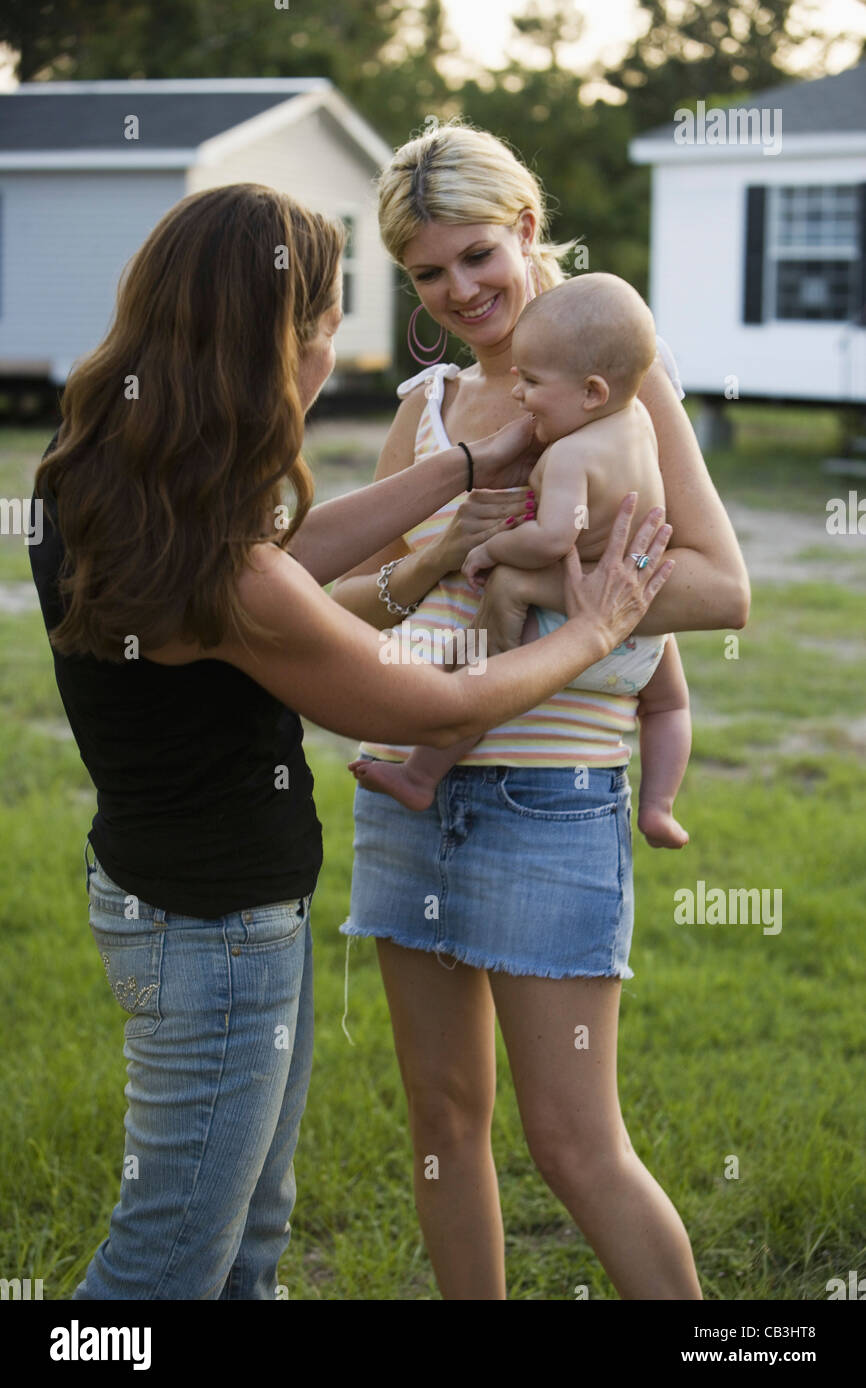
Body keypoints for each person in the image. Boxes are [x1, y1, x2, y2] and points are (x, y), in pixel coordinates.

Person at [28, 181, 672, 1300]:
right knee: (168, 1261)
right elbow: (427, 706)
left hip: (175, 896)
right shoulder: (225, 571)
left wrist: (467, 466)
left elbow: (287, 553)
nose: (334, 347)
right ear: (285, 338)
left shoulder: (99, 472)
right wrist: (602, 627)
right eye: (328, 323)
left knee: (244, 1247)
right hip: (218, 932)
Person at [331, 123, 749, 1300]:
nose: (459, 290)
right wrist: (436, 559)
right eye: (427, 271)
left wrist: (582, 597)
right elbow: (345, 600)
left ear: (523, 227)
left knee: (572, 1145)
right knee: (441, 1121)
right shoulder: (425, 411)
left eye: (475, 255)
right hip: (405, 789)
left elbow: (723, 587)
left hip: (547, 797)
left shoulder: (617, 385)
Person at [350, 272, 690, 851]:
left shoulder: (567, 455)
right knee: (669, 703)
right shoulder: (638, 424)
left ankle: (419, 775)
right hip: (637, 637)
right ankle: (658, 806)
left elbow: (554, 539)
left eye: (531, 382)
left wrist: (491, 549)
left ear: (590, 393)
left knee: (477, 667)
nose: (518, 394)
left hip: (561, 636)